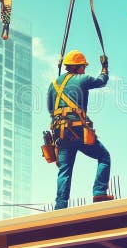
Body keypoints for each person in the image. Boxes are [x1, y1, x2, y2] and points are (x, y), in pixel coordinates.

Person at [48, 50, 112, 209]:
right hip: (78, 132)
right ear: (77, 67)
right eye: (83, 66)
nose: (84, 69)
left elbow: (51, 109)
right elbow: (101, 81)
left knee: (64, 170)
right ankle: (99, 192)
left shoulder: (53, 84)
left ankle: (60, 205)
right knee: (104, 157)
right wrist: (105, 68)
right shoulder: (83, 79)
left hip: (61, 134)